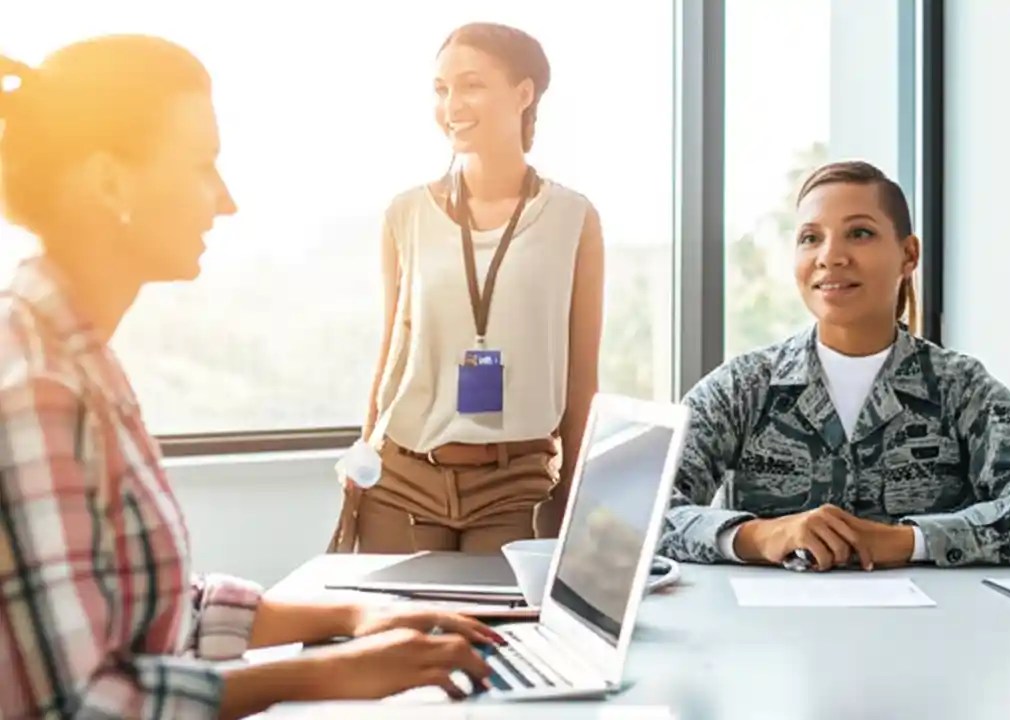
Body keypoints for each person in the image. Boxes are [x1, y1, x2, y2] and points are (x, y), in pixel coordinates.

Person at [0, 36, 498, 719]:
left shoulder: (81, 358)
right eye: (204, 166)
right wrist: (330, 676)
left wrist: (356, 616)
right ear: (111, 182)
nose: (227, 201)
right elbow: (82, 704)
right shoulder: (31, 385)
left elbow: (158, 612)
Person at [659, 161, 1010, 571]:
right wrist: (757, 536)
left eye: (860, 233)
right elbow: (638, 512)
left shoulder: (957, 388)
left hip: (925, 643)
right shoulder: (744, 387)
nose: (830, 256)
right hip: (771, 646)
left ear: (909, 255)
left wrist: (910, 541)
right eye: (810, 237)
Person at [329, 22, 604, 554]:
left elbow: (581, 380)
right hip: (403, 476)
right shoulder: (404, 214)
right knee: (401, 635)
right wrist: (363, 452)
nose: (452, 104)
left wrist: (576, 499)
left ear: (524, 94)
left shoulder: (573, 218)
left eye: (471, 84)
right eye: (441, 89)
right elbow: (390, 354)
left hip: (514, 483)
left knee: (501, 637)